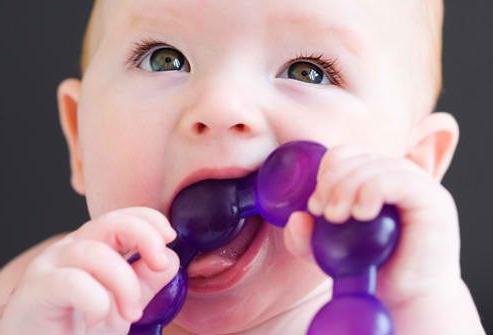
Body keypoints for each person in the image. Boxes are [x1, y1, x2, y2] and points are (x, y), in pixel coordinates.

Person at [0, 0, 487, 334]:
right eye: (164, 58)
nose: (221, 106)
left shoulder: (407, 314)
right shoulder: (51, 298)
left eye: (307, 71)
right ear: (79, 137)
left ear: (411, 167)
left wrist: (425, 303)